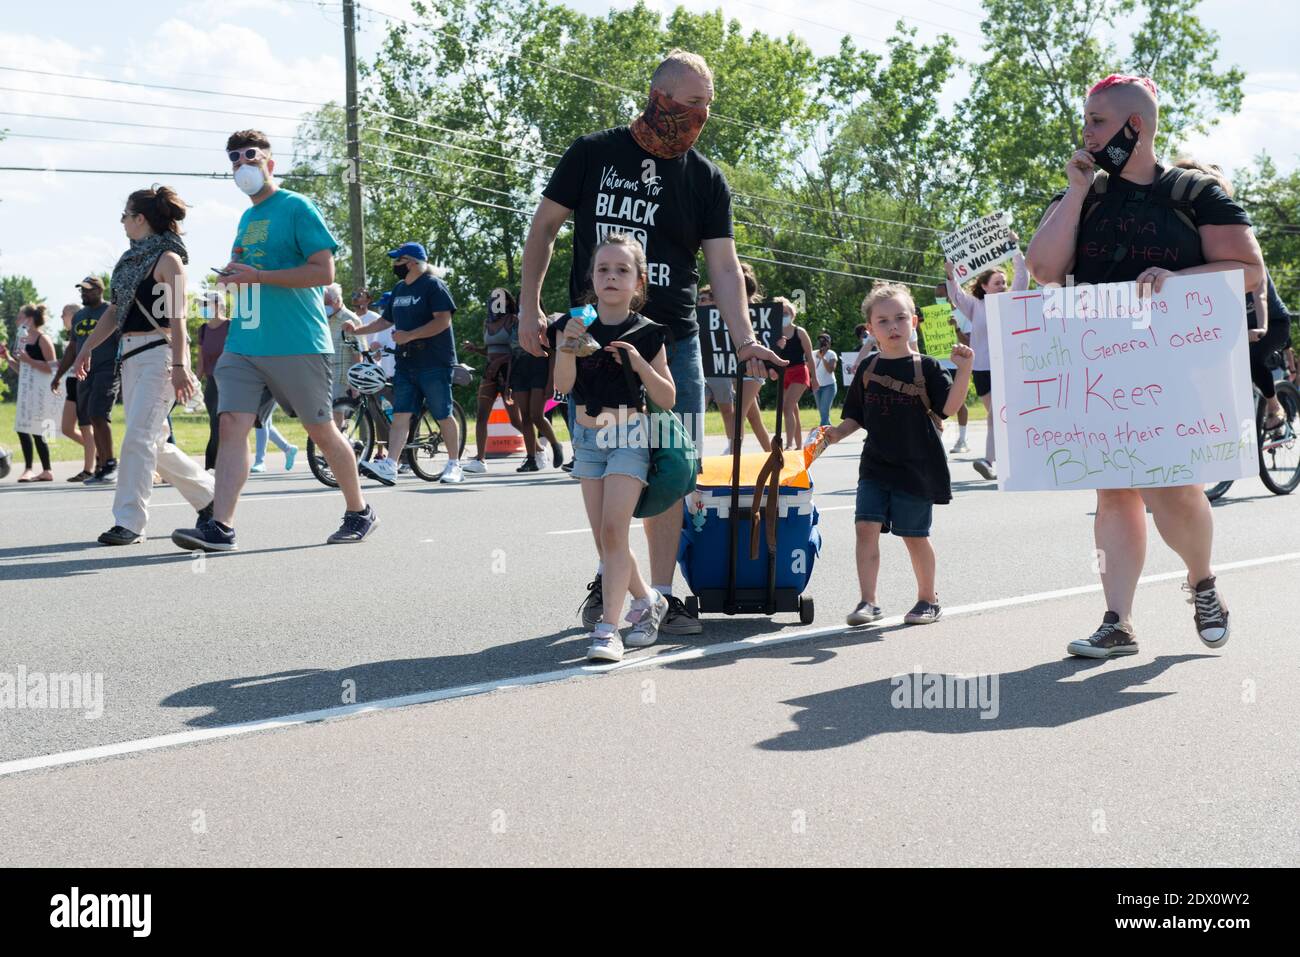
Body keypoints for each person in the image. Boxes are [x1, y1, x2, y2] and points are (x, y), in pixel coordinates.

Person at [517, 49, 783, 636]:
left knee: (669, 465)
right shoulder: (593, 154)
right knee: (604, 462)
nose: (700, 117)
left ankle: (660, 595)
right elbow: (543, 228)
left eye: (707, 108)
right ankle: (612, 580)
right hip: (593, 337)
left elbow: (725, 268)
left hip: (671, 340)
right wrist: (529, 309)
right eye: (690, 104)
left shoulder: (706, 179)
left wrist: (743, 340)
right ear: (658, 97)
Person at [1024, 74, 1265, 657]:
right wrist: (1076, 192)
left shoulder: (1193, 193)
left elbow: (1248, 270)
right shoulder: (1084, 196)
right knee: (1114, 494)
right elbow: (1043, 269)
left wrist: (1178, 281)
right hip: (1102, 368)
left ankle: (1201, 581)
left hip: (1178, 369)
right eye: (1087, 120)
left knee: (1174, 490)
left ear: (1136, 126)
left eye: (1098, 121)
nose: (1087, 132)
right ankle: (1118, 621)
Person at [172, 129, 377, 551]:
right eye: (234, 159)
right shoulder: (246, 219)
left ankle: (359, 511)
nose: (242, 164)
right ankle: (221, 527)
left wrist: (260, 276)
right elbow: (244, 272)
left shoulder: (297, 207)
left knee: (320, 429)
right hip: (245, 341)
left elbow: (324, 273)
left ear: (270, 162)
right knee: (231, 425)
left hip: (297, 340)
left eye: (250, 155)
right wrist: (232, 279)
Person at [821, 283, 974, 626]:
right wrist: (836, 434)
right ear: (871, 329)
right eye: (883, 321)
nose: (893, 327)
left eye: (900, 318)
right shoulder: (868, 368)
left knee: (914, 535)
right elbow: (855, 417)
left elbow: (949, 407)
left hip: (917, 467)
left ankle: (927, 600)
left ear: (914, 322)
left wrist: (963, 369)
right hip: (875, 464)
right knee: (865, 527)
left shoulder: (929, 368)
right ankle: (868, 602)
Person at [553, 233, 674, 662]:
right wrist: (567, 345)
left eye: (622, 270)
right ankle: (647, 601)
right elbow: (562, 387)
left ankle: (609, 629)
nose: (611, 277)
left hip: (629, 436)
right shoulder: (574, 323)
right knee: (606, 541)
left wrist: (639, 363)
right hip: (586, 437)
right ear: (592, 276)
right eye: (603, 269)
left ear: (638, 283)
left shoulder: (647, 332)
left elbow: (667, 397)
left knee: (613, 531)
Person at [71, 186, 215, 544]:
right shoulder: (129, 260)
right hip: (131, 357)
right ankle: (212, 496)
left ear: (140, 219)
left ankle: (130, 522)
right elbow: (116, 310)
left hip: (161, 356)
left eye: (125, 215)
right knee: (153, 440)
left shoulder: (169, 260)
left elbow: (180, 318)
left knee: (137, 438)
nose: (121, 221)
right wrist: (86, 348)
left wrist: (181, 366)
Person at [1172, 159, 1294, 431]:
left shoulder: (1240, 249)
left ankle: (1275, 407)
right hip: (1237, 325)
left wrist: (1260, 328)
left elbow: (1259, 293)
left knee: (1252, 358)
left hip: (1271, 322)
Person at [347, 242, 463, 486]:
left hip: (433, 361)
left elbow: (443, 321)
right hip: (406, 362)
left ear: (411, 262)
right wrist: (358, 330)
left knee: (443, 413)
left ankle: (454, 464)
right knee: (401, 414)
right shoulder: (399, 289)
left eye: (398, 261)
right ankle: (390, 465)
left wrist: (410, 335)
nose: (395, 265)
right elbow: (384, 322)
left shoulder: (433, 286)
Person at [943, 238, 1027, 480]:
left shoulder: (1012, 300)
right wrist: (951, 275)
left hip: (1008, 368)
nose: (1002, 286)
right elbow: (957, 296)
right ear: (985, 286)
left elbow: (1022, 276)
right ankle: (1009, 459)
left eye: (1004, 282)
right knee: (999, 417)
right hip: (982, 370)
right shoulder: (975, 306)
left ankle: (989, 461)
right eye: (997, 283)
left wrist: (1015, 248)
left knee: (996, 416)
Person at [63, 276, 119, 484]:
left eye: (88, 290)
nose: (83, 293)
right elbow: (72, 349)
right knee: (90, 418)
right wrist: (59, 375)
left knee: (99, 414)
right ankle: (102, 466)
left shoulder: (110, 312)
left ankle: (111, 463)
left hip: (107, 369)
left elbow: (120, 341)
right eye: (82, 290)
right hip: (85, 373)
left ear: (99, 290)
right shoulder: (79, 316)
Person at [2, 304, 59, 482]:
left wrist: (29, 360)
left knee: (38, 431)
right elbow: (24, 370)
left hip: (42, 391)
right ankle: (28, 468)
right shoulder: (22, 339)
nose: (17, 320)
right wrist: (9, 359)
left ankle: (47, 469)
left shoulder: (43, 339)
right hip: (26, 390)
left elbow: (53, 368)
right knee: (22, 427)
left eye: (20, 317)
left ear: (29, 319)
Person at [50, 303, 95, 481]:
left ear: (75, 316)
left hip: (83, 379)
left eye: (64, 314)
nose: (61, 317)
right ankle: (99, 453)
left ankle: (89, 468)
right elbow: (69, 356)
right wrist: (58, 374)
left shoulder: (86, 331)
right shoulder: (70, 335)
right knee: (67, 428)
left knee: (86, 426)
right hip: (70, 381)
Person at [932, 281, 972, 454]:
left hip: (956, 364)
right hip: (937, 363)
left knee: (958, 401)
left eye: (942, 294)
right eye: (937, 295)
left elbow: (969, 342)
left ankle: (962, 439)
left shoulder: (963, 314)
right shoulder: (933, 315)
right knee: (934, 401)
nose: (939, 298)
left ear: (950, 295)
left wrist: (956, 328)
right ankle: (938, 438)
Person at [773, 297, 817, 449]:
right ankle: (799, 446)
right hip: (784, 374)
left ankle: (789, 444)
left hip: (799, 372)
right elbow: (773, 355)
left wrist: (815, 379)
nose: (784, 315)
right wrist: (778, 346)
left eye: (787, 312)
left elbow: (810, 356)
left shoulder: (800, 332)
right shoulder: (776, 333)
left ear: (792, 314)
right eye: (781, 313)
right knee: (793, 411)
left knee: (787, 407)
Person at [197, 291, 229, 471]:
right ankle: (216, 463)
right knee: (214, 423)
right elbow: (201, 363)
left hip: (231, 383)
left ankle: (218, 464)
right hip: (212, 384)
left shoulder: (232, 326)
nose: (203, 308)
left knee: (223, 423)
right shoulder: (203, 329)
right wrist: (193, 384)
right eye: (202, 305)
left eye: (206, 304)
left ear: (218, 305)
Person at [251, 403, 296, 473]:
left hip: (270, 393)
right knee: (266, 424)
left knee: (261, 420)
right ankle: (288, 449)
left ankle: (259, 462)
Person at [813, 331, 838, 428]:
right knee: (822, 411)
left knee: (824, 409)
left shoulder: (832, 354)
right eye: (820, 341)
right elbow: (807, 366)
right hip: (817, 386)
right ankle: (828, 428)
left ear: (829, 343)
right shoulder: (813, 353)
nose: (822, 343)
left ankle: (822, 430)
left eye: (824, 341)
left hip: (829, 386)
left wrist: (823, 357)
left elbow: (830, 370)